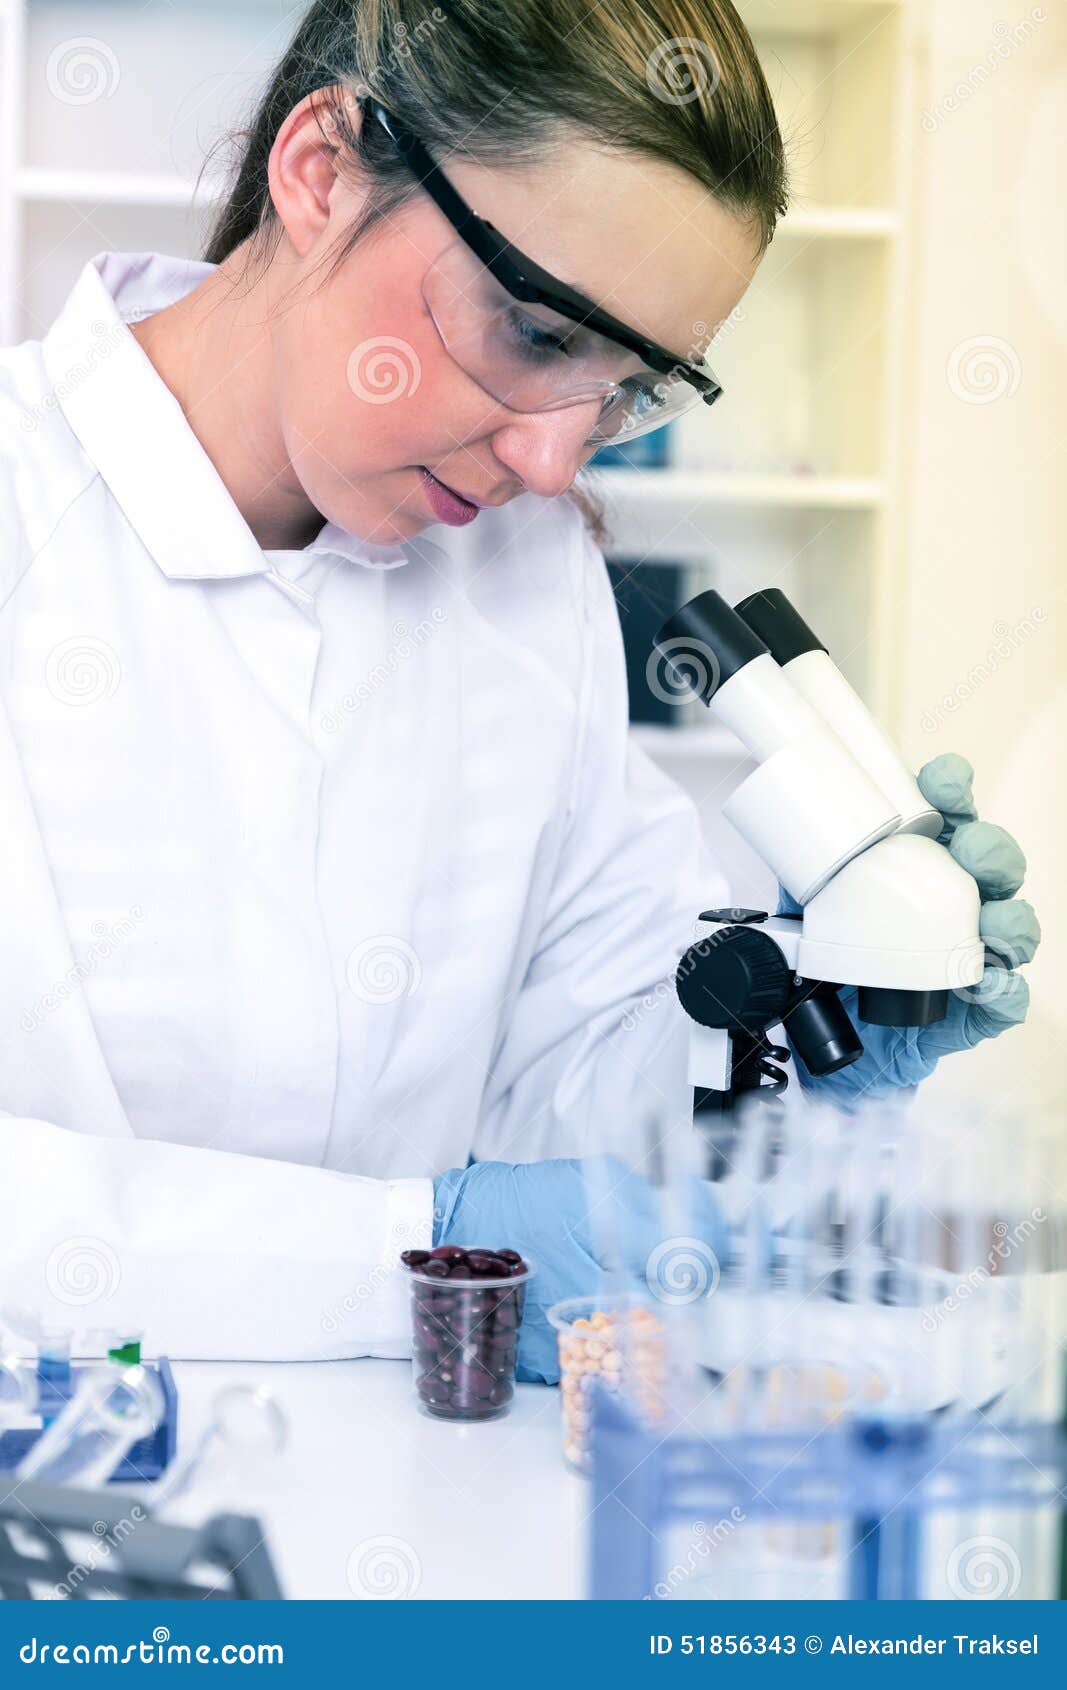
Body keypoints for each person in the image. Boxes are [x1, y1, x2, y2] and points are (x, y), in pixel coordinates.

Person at [0, 1, 1036, 1378]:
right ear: (320, 172)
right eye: (540, 335)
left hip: (437, 1497)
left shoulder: (523, 573)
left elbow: (575, 1069)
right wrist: (420, 1249)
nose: (555, 467)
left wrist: (803, 1030)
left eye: (626, 392)